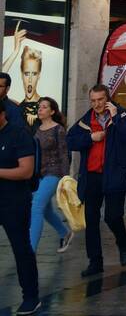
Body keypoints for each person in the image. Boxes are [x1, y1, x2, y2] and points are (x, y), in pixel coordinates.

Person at [67, 84, 126, 278]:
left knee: (113, 217)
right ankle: (95, 262)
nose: (97, 104)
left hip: (114, 174)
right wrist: (91, 137)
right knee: (91, 219)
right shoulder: (86, 120)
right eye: (93, 100)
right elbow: (70, 140)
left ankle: (123, 243)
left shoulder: (121, 115)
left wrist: (115, 118)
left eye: (100, 100)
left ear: (108, 98)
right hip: (91, 176)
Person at [0, 97, 40, 316]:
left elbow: (26, 171)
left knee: (21, 248)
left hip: (13, 201)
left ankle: (31, 297)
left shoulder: (18, 135)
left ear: (2, 114)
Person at [30, 97, 72, 253]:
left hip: (54, 173)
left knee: (36, 207)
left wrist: (66, 179)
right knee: (46, 210)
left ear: (52, 111)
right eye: (39, 107)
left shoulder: (58, 130)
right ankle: (65, 233)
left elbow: (64, 155)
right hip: (39, 174)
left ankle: (30, 251)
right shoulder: (37, 129)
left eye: (44, 107)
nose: (40, 109)